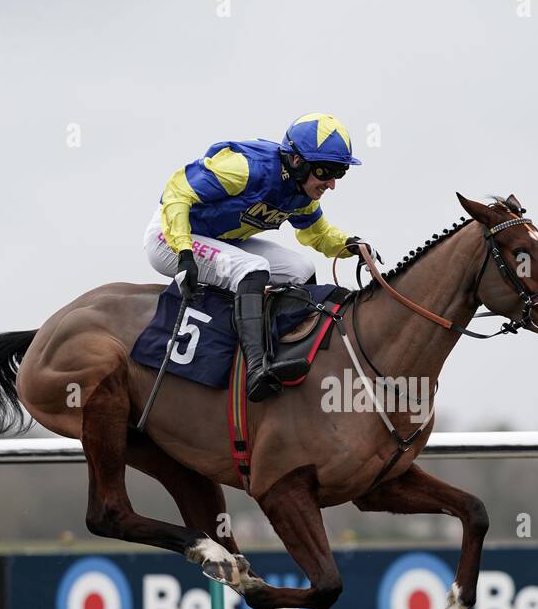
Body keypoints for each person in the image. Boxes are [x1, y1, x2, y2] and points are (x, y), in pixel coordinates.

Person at [144, 113, 369, 401]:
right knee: (253, 268)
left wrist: (350, 245)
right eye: (325, 172)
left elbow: (318, 234)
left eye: (339, 173)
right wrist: (185, 251)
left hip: (223, 241)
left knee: (300, 269)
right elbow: (176, 192)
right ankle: (256, 369)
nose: (332, 184)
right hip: (169, 239)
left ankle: (288, 351)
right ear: (297, 161)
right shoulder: (246, 168)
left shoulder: (302, 194)